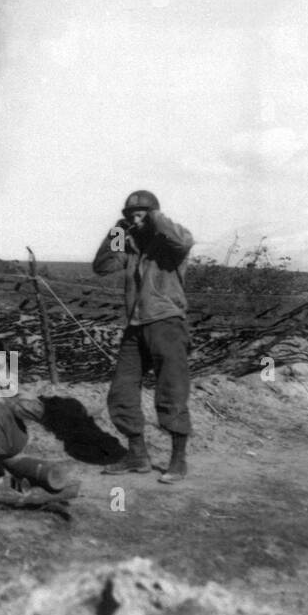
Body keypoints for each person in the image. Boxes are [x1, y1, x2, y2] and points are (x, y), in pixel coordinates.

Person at [92, 189, 195, 484]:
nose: (135, 219)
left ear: (153, 215)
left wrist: (155, 218)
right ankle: (137, 454)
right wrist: (116, 233)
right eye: (130, 215)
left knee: (172, 391)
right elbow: (102, 266)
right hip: (136, 327)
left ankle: (178, 460)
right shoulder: (131, 247)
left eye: (141, 214)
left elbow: (185, 239)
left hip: (167, 323)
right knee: (121, 392)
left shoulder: (170, 244)